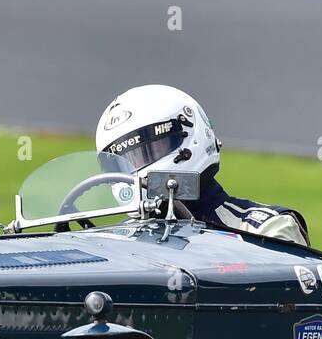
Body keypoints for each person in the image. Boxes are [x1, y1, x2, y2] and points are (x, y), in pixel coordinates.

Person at [95, 84, 309, 246]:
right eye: (122, 164)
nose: (136, 171)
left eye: (147, 151)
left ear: (192, 136)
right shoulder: (111, 244)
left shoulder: (266, 230)